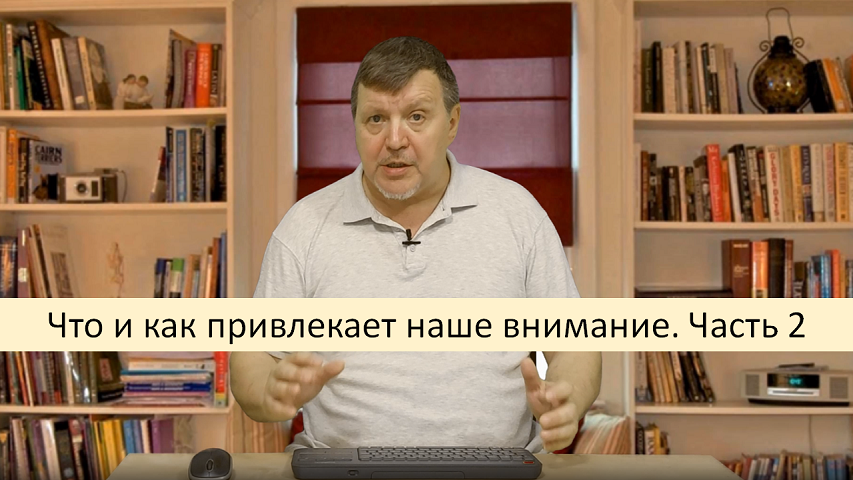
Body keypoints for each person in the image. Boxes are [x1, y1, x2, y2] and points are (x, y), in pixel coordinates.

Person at [232, 36, 601, 454]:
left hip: (498, 468)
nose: (394, 140)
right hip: (338, 469)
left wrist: (568, 397)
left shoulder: (518, 213)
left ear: (452, 122)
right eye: (375, 119)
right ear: (355, 125)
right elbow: (253, 356)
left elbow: (576, 347)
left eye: (416, 117)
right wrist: (266, 390)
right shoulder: (304, 226)